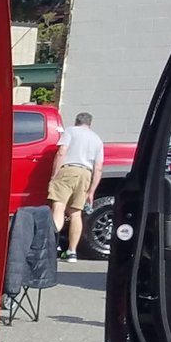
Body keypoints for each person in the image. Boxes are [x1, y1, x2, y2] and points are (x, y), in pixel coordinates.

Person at [49, 110, 105, 260]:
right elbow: (99, 167)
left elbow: (61, 152)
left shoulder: (70, 131)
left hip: (68, 171)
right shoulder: (97, 139)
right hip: (86, 174)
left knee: (58, 208)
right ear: (90, 124)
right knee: (75, 213)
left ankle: (51, 247)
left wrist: (54, 174)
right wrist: (92, 191)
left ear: (76, 121)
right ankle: (72, 252)